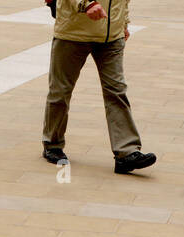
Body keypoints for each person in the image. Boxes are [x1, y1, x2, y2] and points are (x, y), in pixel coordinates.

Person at [41, 0, 157, 174]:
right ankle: (53, 144)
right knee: (61, 91)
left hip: (112, 37)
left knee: (117, 91)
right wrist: (86, 4)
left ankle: (126, 153)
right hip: (73, 33)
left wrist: (123, 23)